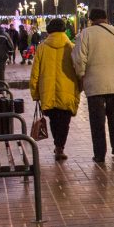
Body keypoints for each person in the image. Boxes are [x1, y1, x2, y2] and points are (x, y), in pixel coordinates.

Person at [72, 7, 114, 164]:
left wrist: (81, 74)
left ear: (91, 19)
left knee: (97, 121)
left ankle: (99, 154)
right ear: (106, 18)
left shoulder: (85, 34)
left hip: (94, 85)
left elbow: (79, 58)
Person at [29, 18, 81, 161]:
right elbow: (79, 70)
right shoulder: (71, 47)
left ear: (49, 30)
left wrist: (35, 93)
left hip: (48, 91)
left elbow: (35, 73)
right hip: (68, 90)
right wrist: (79, 87)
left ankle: (58, 145)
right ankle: (60, 146)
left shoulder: (42, 48)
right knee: (65, 121)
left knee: (54, 120)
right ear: (64, 30)